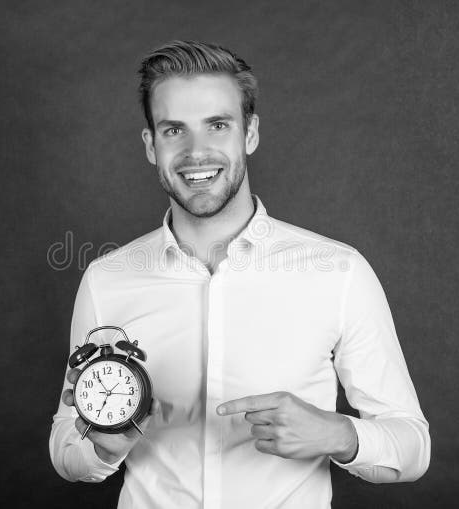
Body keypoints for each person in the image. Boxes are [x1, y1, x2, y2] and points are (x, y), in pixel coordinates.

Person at [49, 40, 430, 508]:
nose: (196, 151)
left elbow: (412, 446)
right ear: (151, 146)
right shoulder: (107, 279)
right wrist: (103, 450)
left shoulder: (339, 272)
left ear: (249, 133)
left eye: (217, 125)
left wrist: (338, 433)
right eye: (173, 130)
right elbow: (66, 446)